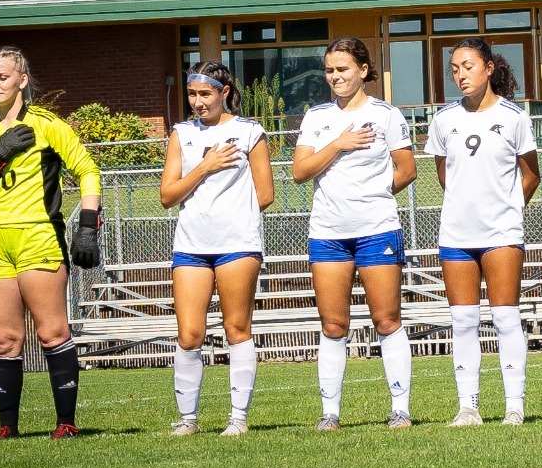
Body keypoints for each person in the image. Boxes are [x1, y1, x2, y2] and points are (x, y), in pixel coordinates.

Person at [0, 47, 102, 439]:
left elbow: (88, 170)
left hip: (38, 236)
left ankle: (66, 423)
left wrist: (88, 224)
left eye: (2, 77)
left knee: (51, 333)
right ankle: (8, 428)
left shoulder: (47, 124)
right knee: (5, 339)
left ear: (22, 80)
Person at [292, 38, 416, 430]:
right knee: (333, 325)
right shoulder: (316, 118)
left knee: (386, 319)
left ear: (363, 70)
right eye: (330, 70)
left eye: (343, 69)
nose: (335, 77)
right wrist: (339, 144)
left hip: (377, 228)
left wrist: (375, 195)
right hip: (327, 233)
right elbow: (300, 172)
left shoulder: (387, 115)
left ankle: (400, 408)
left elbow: (407, 170)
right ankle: (330, 414)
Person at [426, 38, 540, 427]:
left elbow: (531, 174)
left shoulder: (514, 117)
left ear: (489, 68)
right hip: (456, 235)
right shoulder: (443, 120)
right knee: (463, 320)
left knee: (506, 317)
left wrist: (506, 209)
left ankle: (514, 405)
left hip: (501, 233)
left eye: (468, 66)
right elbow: (445, 174)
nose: (460, 75)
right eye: (454, 68)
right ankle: (468, 406)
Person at [158, 61, 274, 436]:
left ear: (224, 93)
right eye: (192, 94)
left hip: (237, 244)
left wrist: (233, 216)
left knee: (236, 327)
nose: (197, 101)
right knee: (189, 334)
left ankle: (237, 418)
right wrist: (205, 168)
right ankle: (188, 419)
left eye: (205, 94)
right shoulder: (180, 134)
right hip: (191, 245)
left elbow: (266, 193)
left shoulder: (249, 131)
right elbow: (167, 195)